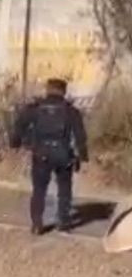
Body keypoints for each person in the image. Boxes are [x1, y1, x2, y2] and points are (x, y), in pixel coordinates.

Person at [9, 78, 88, 234]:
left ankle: (37, 223)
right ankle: (63, 221)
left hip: (41, 154)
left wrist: (15, 144)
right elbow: (80, 136)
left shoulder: (35, 108)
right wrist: (83, 156)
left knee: (39, 189)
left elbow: (19, 126)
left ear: (47, 89)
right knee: (64, 188)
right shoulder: (71, 111)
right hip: (64, 154)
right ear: (64, 92)